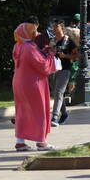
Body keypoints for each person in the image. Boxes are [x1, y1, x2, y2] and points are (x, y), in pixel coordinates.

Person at [12, 20, 57, 152]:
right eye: (33, 32)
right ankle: (41, 142)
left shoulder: (18, 46)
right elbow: (43, 66)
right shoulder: (29, 48)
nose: (35, 34)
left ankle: (20, 142)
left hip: (19, 82)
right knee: (39, 111)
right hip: (33, 83)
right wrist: (50, 54)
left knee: (22, 112)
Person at [48, 20, 79, 126]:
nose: (54, 29)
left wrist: (65, 56)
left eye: (56, 27)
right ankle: (64, 114)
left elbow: (76, 55)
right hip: (52, 70)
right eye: (53, 27)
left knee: (59, 93)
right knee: (56, 93)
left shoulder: (68, 41)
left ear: (62, 28)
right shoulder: (52, 41)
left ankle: (55, 117)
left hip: (65, 69)